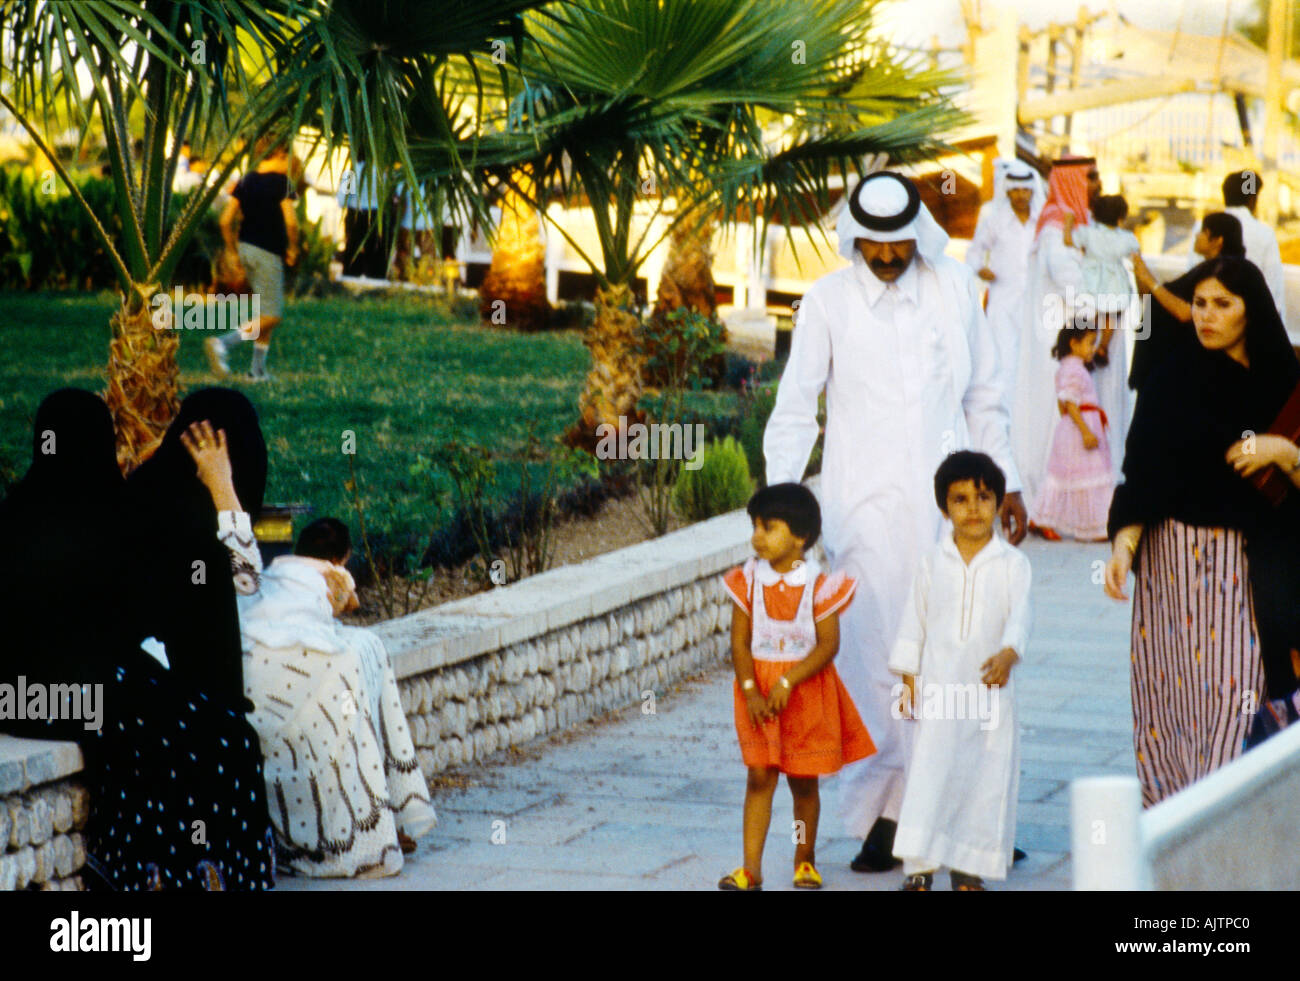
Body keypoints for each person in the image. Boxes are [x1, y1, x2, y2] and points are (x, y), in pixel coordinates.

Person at [763, 171, 1025, 874]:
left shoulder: (956, 289)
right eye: (873, 244)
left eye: (898, 242)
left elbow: (986, 395)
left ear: (920, 234)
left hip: (954, 516)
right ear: (856, 236)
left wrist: (1011, 486)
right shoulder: (826, 302)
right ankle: (888, 815)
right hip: (864, 512)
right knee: (880, 658)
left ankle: (969, 815)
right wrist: (782, 507)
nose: (885, 257)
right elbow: (795, 408)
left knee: (964, 655)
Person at [1, 390, 275, 890]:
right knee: (193, 731)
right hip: (65, 695)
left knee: (204, 727)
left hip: (34, 696)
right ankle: (171, 868)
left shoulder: (33, 515)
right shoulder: (112, 517)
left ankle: (180, 867)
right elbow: (234, 582)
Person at [1104, 257, 1300, 806]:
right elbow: (1141, 472)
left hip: (1245, 569)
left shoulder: (1285, 383)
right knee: (1169, 704)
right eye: (1199, 303)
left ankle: (1219, 825)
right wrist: (1123, 546)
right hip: (1169, 568)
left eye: (1223, 304)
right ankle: (1171, 833)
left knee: (1235, 696)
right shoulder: (1171, 377)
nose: (1207, 315)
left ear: (1251, 311)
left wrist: (1282, 452)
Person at [123, 388, 277, 888]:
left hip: (177, 685)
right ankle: (199, 868)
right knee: (217, 740)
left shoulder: (158, 489)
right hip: (150, 682)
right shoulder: (188, 511)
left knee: (224, 735)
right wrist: (222, 487)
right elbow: (246, 575)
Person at [235, 517, 437, 878]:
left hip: (256, 661)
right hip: (306, 658)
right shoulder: (334, 575)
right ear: (343, 556)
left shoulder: (275, 571)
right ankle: (371, 831)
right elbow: (352, 603)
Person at [717, 483, 874, 891]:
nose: (757, 536)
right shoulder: (747, 581)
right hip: (759, 696)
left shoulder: (820, 585)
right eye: (754, 526)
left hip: (804, 694)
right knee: (758, 777)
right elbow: (739, 642)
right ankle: (750, 868)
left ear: (800, 536)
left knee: (803, 782)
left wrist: (789, 679)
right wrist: (751, 690)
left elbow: (828, 644)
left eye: (768, 527)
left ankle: (804, 857)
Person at [890, 452, 1031, 891]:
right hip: (939, 691)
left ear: (997, 502)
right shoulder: (932, 563)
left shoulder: (1013, 565)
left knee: (983, 779)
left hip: (988, 693)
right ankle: (921, 866)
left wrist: (1009, 654)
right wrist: (909, 678)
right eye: (961, 499)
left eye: (984, 497)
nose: (973, 508)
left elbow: (1020, 618)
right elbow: (914, 620)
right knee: (932, 774)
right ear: (944, 507)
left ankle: (970, 868)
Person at [1014, 156, 1104, 510]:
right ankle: (1041, 508)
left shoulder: (1070, 224)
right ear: (1073, 182)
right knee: (1052, 422)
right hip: (1056, 341)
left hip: (1065, 338)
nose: (1097, 184)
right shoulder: (1054, 227)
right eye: (1090, 178)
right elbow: (1073, 284)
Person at [207, 136, 300, 382]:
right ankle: (223, 343)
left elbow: (226, 220)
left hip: (246, 247)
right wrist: (293, 247)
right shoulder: (283, 183)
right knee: (273, 315)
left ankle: (257, 371)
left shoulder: (245, 180)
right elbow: (290, 222)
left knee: (264, 311)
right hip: (268, 251)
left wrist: (232, 250)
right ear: (280, 154)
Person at [1129, 212, 1246, 392]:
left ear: (1217, 240)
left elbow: (1186, 312)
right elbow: (1150, 295)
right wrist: (1140, 268)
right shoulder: (1206, 269)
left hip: (1183, 374)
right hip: (1163, 371)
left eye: (1202, 232)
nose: (1196, 237)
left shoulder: (1222, 273)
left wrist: (1150, 280)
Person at [966, 158, 1045, 399]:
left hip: (1035, 299)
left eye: (1025, 190)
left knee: (1032, 356)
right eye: (1015, 190)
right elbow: (974, 253)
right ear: (1008, 191)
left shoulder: (1041, 220)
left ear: (1032, 190)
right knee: (1003, 358)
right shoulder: (995, 219)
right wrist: (981, 269)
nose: (1021, 195)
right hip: (1003, 299)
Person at [1031, 319, 1114, 541]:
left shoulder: (1070, 367)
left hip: (1076, 427)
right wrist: (1085, 430)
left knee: (1066, 474)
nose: (1093, 348)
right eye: (1089, 343)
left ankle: (1044, 519)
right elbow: (1068, 403)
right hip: (1079, 430)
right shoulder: (1074, 369)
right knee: (1087, 473)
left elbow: (1064, 403)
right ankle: (1092, 526)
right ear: (1074, 344)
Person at [1221, 170, 1287, 328]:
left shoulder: (1201, 229)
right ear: (1252, 200)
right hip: (1249, 324)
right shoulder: (1264, 233)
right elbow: (1273, 288)